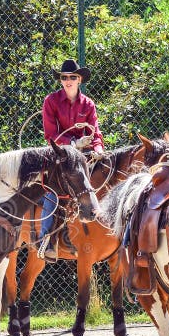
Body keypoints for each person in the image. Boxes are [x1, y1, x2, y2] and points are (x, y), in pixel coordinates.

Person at [38, 59, 104, 262]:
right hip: (59, 155)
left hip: (83, 156)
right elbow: (50, 135)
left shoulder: (88, 104)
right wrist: (74, 143)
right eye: (64, 77)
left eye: (72, 77)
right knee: (53, 191)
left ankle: (100, 234)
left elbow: (95, 131)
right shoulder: (51, 101)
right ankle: (46, 240)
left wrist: (98, 147)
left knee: (102, 179)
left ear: (79, 79)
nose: (68, 81)